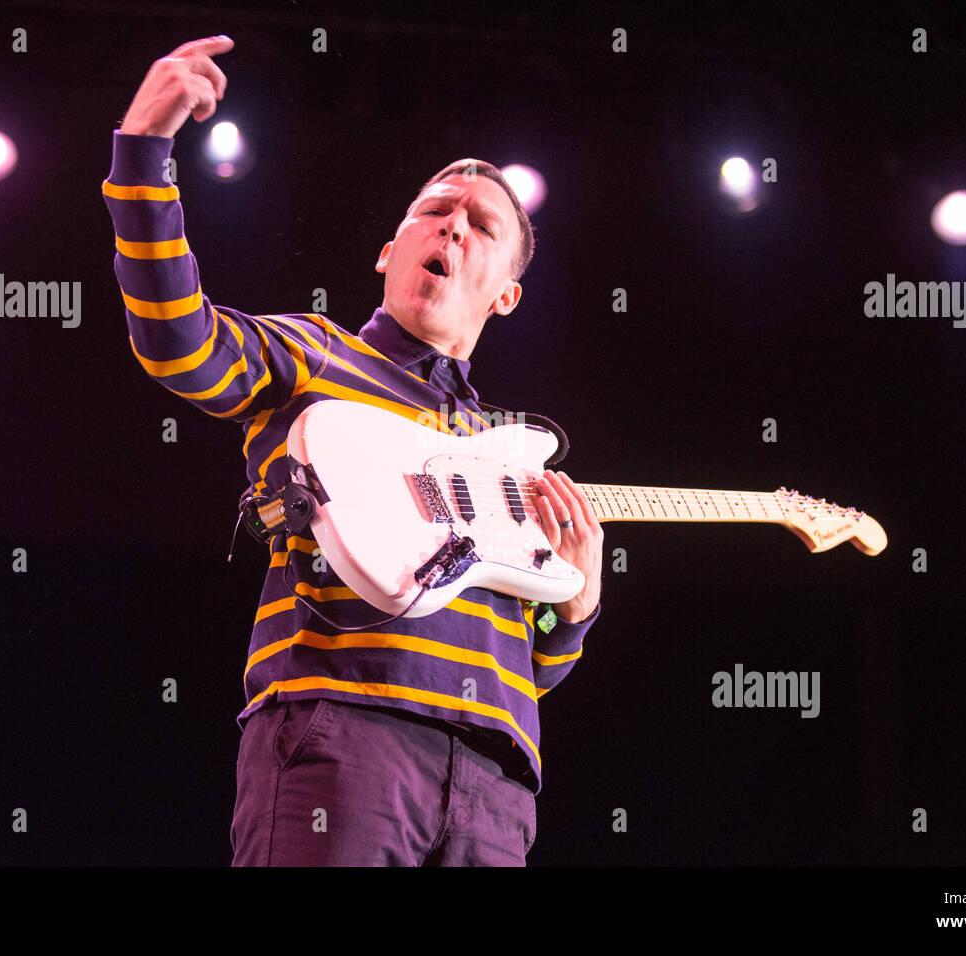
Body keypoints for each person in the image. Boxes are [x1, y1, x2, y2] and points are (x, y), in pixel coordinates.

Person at [104, 36, 603, 865]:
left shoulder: (512, 452)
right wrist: (142, 157)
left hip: (495, 780)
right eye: (433, 210)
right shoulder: (317, 357)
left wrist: (579, 604)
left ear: (506, 294)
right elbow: (176, 340)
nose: (453, 225)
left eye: (481, 226)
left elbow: (536, 660)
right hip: (346, 733)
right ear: (389, 251)